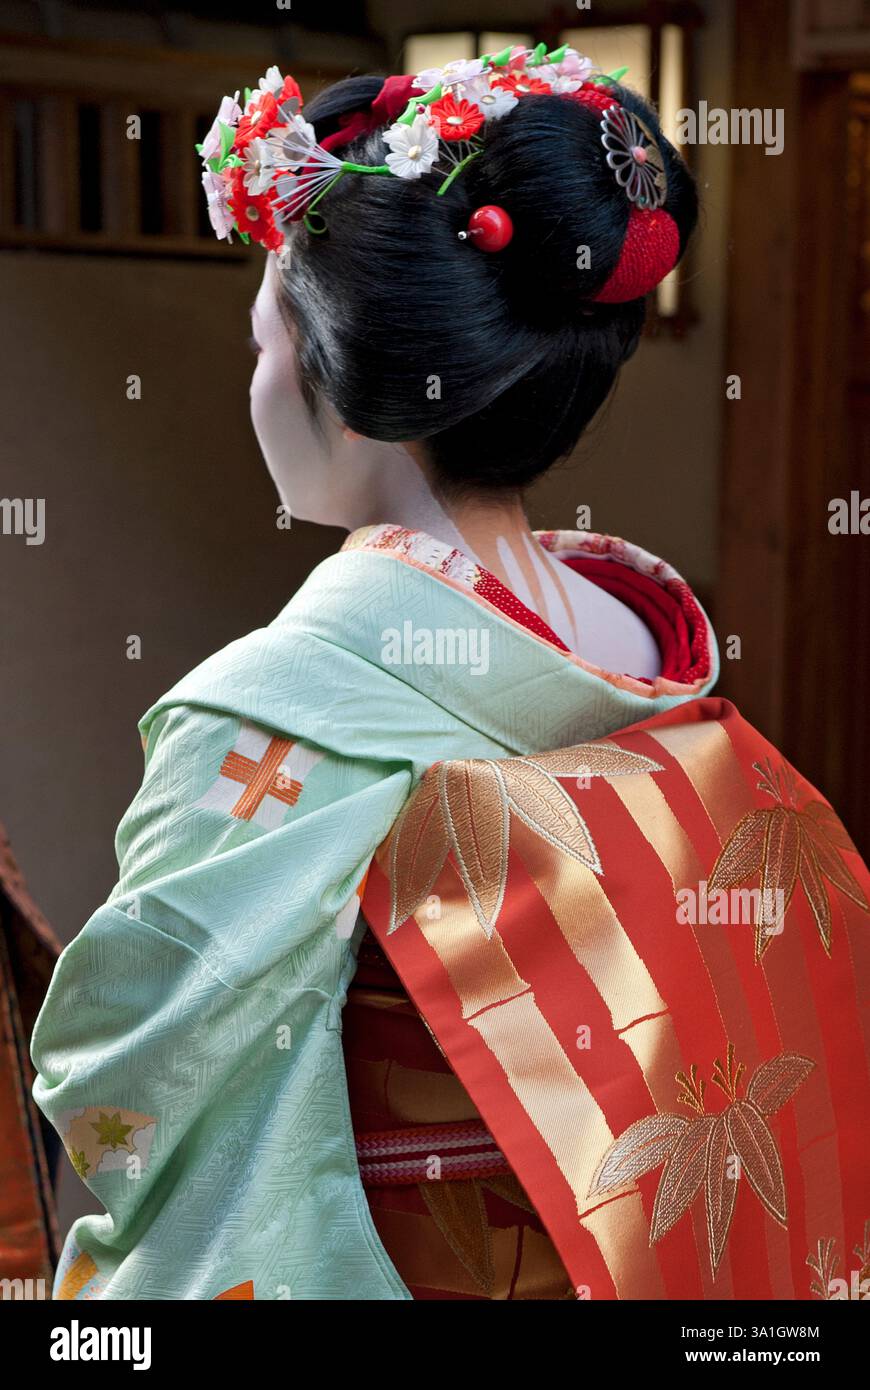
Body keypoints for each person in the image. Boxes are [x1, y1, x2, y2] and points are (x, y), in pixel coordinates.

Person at [31, 46, 869, 1301]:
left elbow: (123, 1076)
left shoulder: (268, 710)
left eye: (264, 340)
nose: (255, 377)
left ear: (352, 392)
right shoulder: (647, 647)